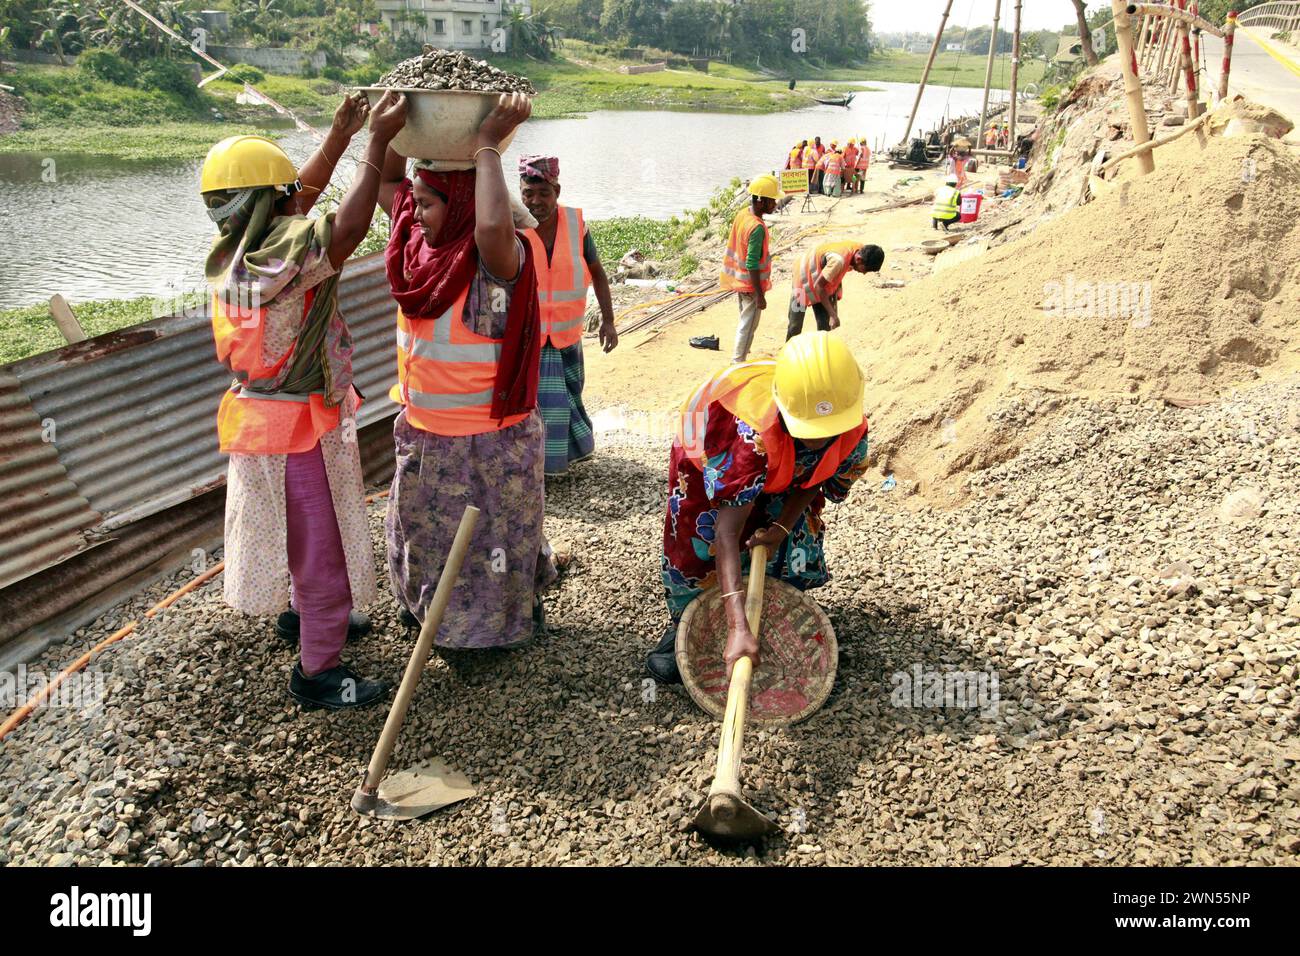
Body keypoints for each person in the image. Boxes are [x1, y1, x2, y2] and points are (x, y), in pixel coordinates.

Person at [200, 90, 409, 710]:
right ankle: (319, 670)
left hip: (265, 422)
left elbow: (299, 203)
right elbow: (345, 230)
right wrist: (375, 142)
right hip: (289, 430)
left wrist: (340, 137)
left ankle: (303, 616)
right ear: (268, 202)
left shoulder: (239, 253)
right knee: (320, 546)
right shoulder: (278, 261)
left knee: (295, 535)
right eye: (283, 192)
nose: (296, 198)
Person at [377, 92, 559, 651]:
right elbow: (394, 193)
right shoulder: (417, 249)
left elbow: (488, 230)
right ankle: (428, 608)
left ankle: (495, 629)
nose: (415, 212)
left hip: (491, 440)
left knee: (495, 539)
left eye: (429, 204)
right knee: (426, 533)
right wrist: (382, 134)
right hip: (427, 436)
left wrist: (485, 148)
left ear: (457, 206)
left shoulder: (499, 261)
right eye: (416, 205)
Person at [644, 333, 872, 684]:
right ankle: (690, 625)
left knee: (791, 536)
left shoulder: (850, 427)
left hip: (777, 458)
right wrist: (737, 624)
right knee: (699, 542)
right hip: (714, 454)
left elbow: (813, 478)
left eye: (828, 432)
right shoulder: (750, 433)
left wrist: (779, 530)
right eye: (809, 431)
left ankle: (770, 610)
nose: (818, 440)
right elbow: (726, 530)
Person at [518, 154, 618, 477]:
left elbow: (598, 273)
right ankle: (545, 469)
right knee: (550, 405)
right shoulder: (512, 225)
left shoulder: (576, 224)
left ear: (556, 191)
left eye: (543, 194)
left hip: (567, 335)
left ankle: (569, 454)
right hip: (530, 337)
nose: (535, 202)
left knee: (570, 398)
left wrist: (608, 320)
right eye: (528, 195)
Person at [719, 173, 777, 364]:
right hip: (751, 286)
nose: (775, 205)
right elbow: (752, 263)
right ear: (760, 201)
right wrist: (760, 295)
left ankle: (739, 357)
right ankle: (738, 362)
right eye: (772, 201)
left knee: (745, 322)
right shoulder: (757, 228)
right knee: (748, 326)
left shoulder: (743, 214)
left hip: (740, 282)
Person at [786, 241, 885, 339]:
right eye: (865, 270)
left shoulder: (861, 251)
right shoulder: (838, 261)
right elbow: (819, 287)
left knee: (825, 327)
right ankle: (788, 353)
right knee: (795, 326)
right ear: (859, 259)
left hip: (822, 280)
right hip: (803, 280)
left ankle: (823, 353)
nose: (864, 273)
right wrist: (833, 315)